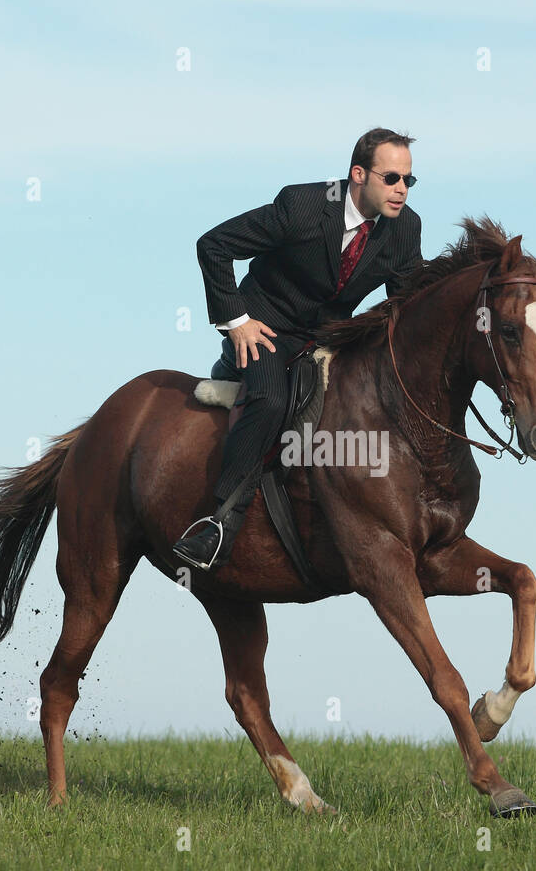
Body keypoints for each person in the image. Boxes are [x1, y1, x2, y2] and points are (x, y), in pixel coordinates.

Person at [173, 127, 424, 571]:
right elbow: (213, 246)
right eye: (392, 178)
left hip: (323, 338)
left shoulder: (405, 229)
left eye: (409, 180)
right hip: (263, 328)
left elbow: (407, 304)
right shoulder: (304, 206)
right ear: (359, 175)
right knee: (270, 399)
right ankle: (220, 522)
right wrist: (237, 322)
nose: (402, 190)